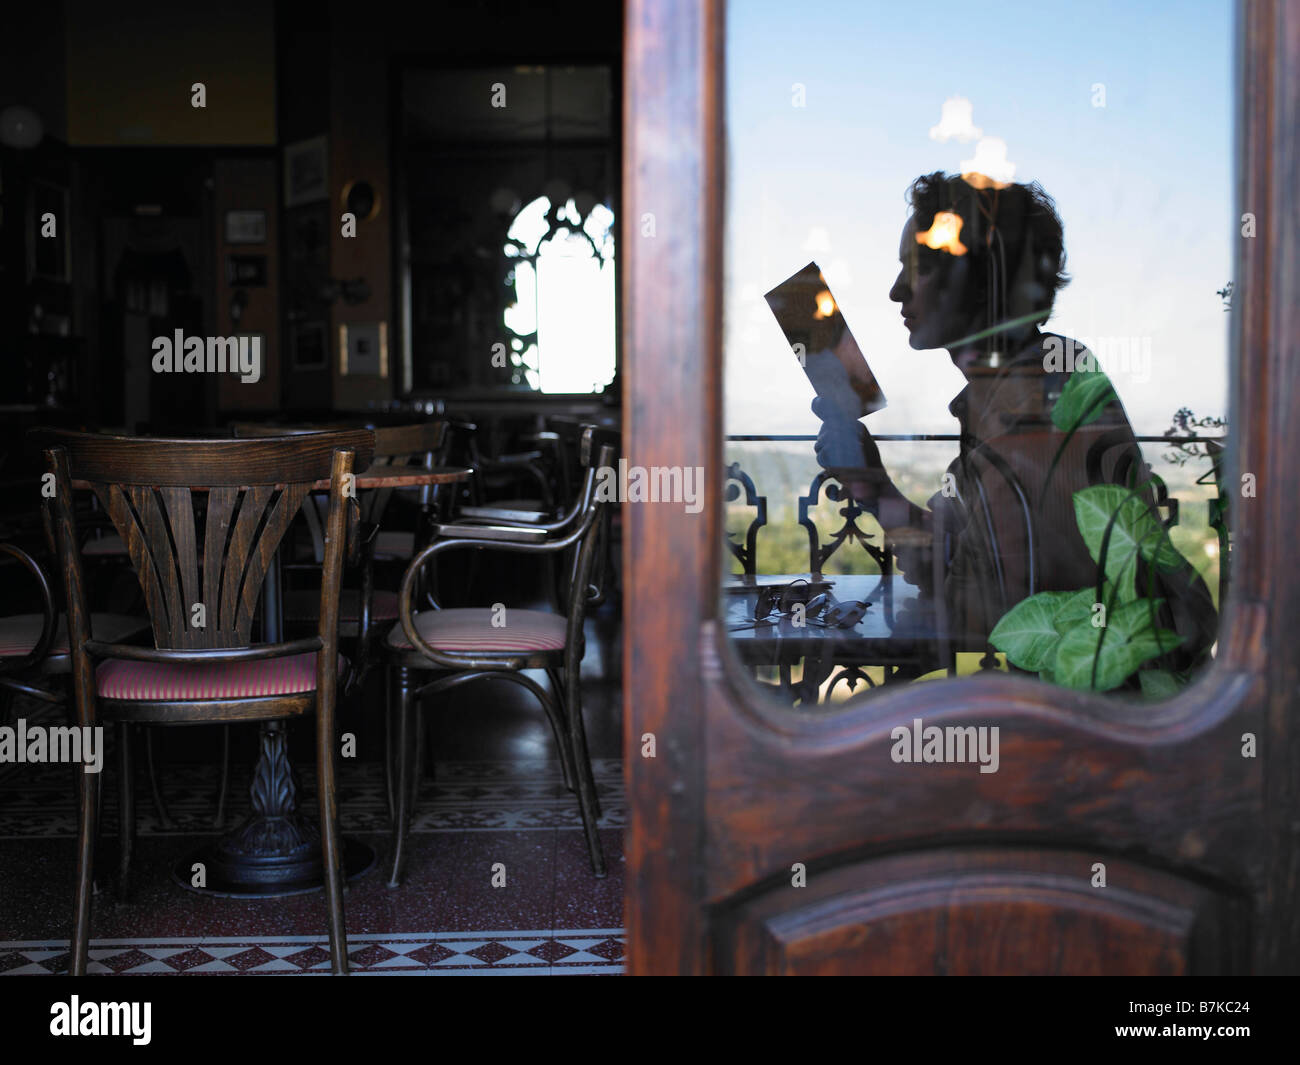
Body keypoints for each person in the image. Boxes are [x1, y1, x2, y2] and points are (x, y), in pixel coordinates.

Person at [813, 171, 1216, 677]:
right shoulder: (1031, 375)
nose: (897, 291)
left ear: (983, 278)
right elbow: (959, 556)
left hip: (1101, 719)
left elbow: (986, 612)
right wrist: (871, 484)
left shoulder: (1038, 393)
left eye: (922, 267)